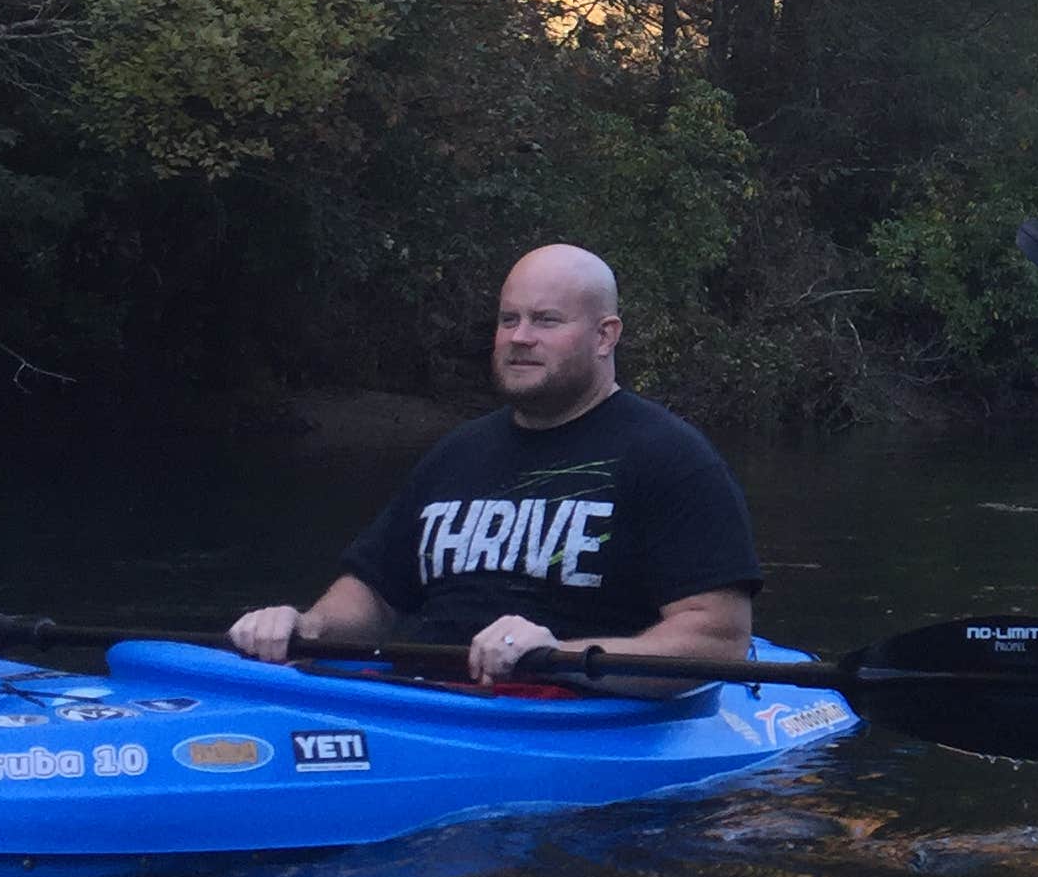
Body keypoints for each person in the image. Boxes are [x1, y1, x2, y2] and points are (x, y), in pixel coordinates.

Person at [229, 244, 760, 686]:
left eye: (546, 321)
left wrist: (561, 654)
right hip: (422, 702)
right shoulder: (456, 454)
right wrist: (303, 626)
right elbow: (373, 596)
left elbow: (717, 640)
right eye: (509, 320)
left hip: (568, 714)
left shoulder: (671, 459)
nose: (520, 337)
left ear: (605, 336)